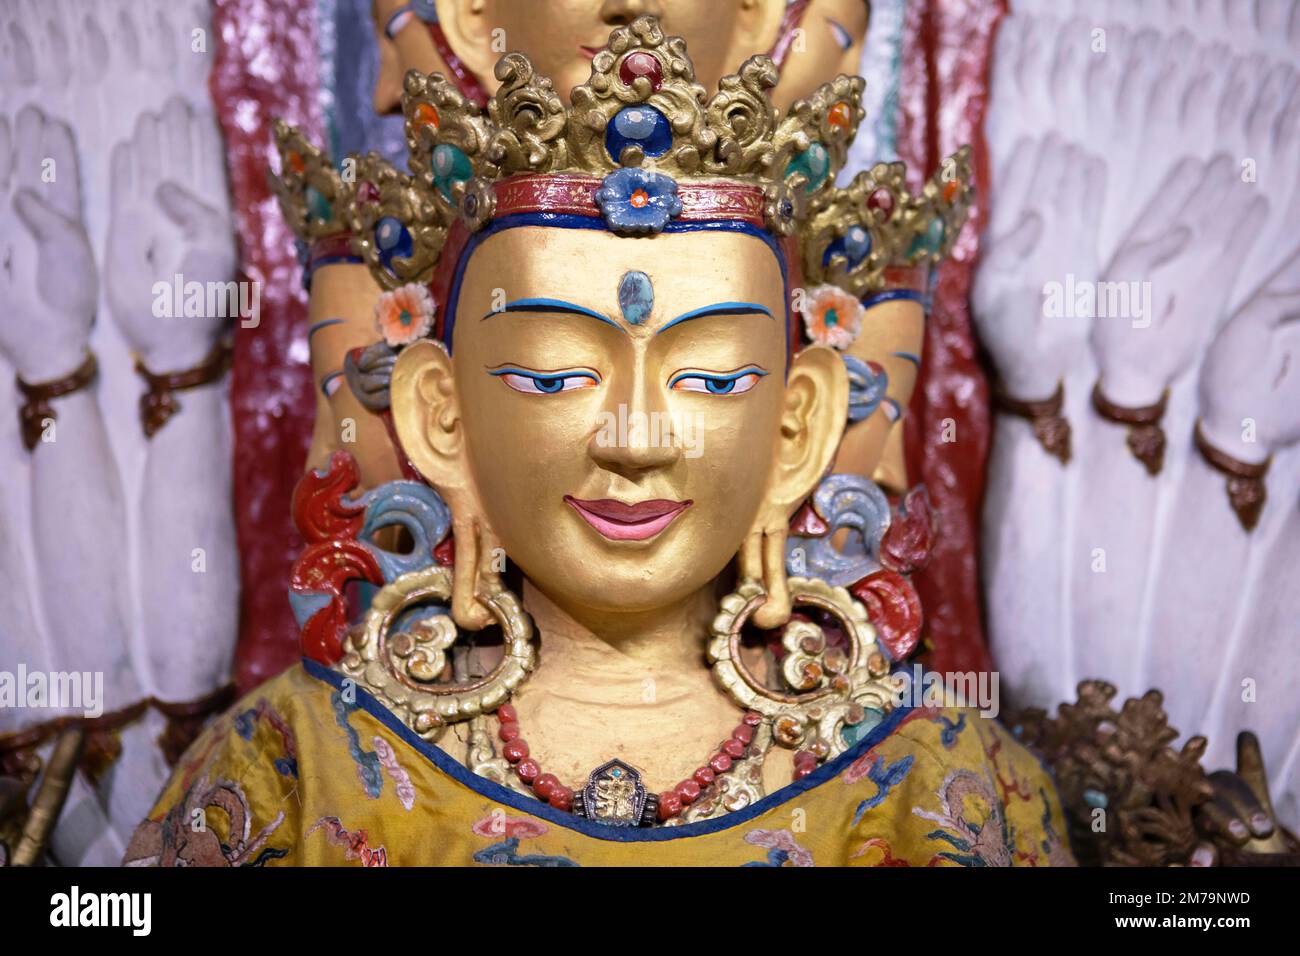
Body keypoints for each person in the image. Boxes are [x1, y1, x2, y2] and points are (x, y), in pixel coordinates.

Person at [126, 17, 1068, 867]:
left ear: (797, 429)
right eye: (551, 376)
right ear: (440, 420)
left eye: (712, 379)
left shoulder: (931, 776)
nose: (635, 440)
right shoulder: (298, 765)